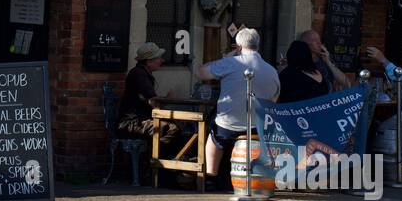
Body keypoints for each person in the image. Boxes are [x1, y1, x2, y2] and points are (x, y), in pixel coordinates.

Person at [196, 27, 280, 188]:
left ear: (239, 47)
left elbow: (200, 73)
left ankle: (211, 175)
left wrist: (226, 57)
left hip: (229, 124)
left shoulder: (231, 62)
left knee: (214, 134)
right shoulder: (272, 71)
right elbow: (275, 98)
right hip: (258, 126)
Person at [117, 42, 181, 144]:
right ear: (149, 61)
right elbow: (153, 101)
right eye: (159, 58)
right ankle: (157, 158)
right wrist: (168, 99)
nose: (162, 60)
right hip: (131, 122)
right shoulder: (139, 75)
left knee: (174, 124)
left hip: (138, 119)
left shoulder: (142, 73)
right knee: (171, 128)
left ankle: (162, 156)